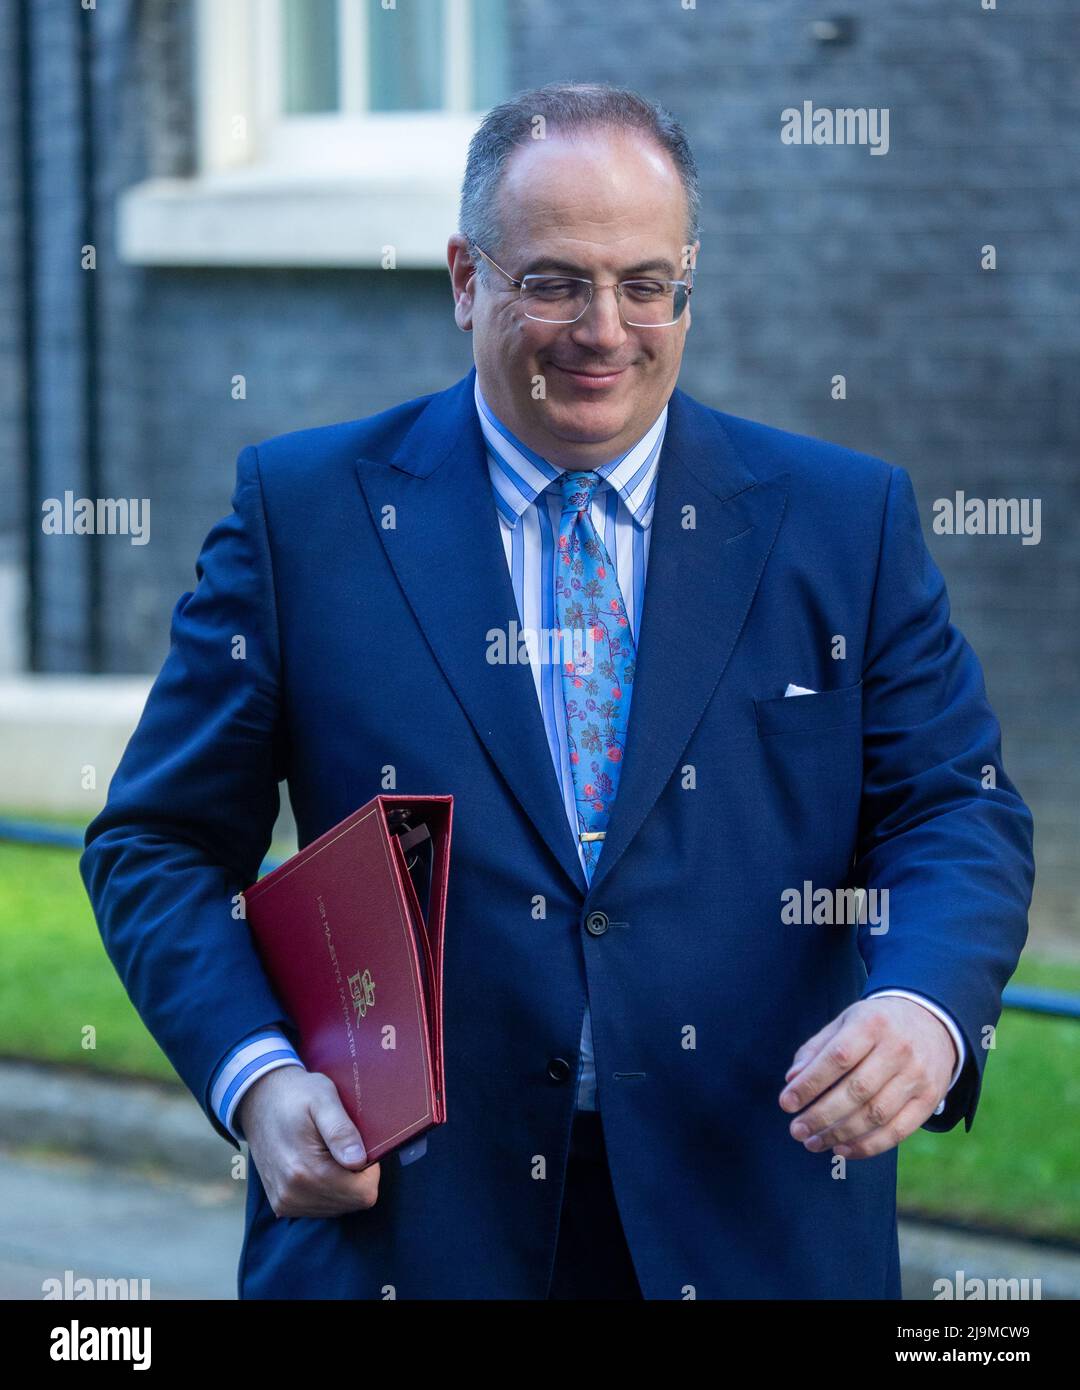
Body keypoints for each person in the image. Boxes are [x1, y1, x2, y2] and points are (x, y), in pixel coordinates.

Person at [80, 82, 1034, 1300]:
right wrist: (257, 1078)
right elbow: (157, 841)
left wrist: (923, 1008)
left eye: (647, 284)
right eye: (555, 282)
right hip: (408, 1232)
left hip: (753, 1220)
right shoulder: (304, 516)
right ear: (465, 278)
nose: (606, 329)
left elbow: (957, 810)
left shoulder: (845, 523)